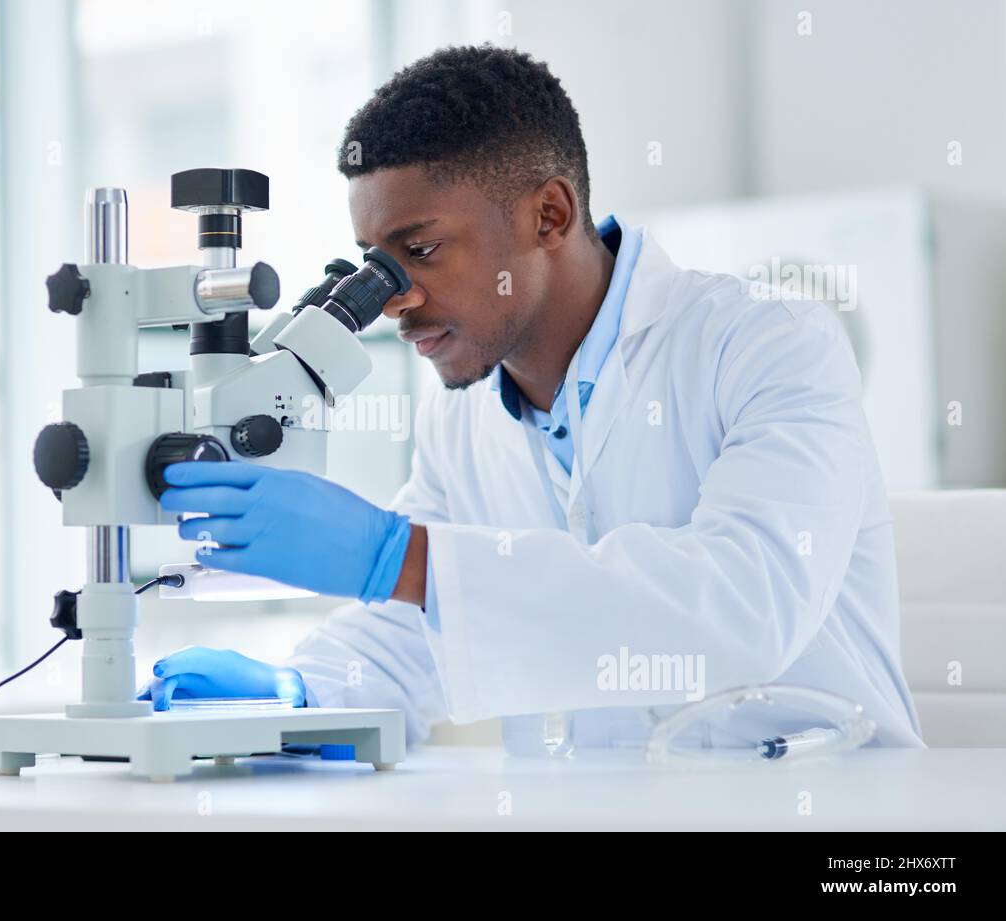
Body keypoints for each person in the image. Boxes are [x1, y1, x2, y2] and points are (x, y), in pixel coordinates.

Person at [140, 45, 924, 751]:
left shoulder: (771, 344)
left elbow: (745, 602)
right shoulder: (461, 418)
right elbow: (420, 632)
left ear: (549, 214)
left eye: (419, 251)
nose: (392, 300)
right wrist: (301, 688)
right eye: (372, 265)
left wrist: (397, 555)